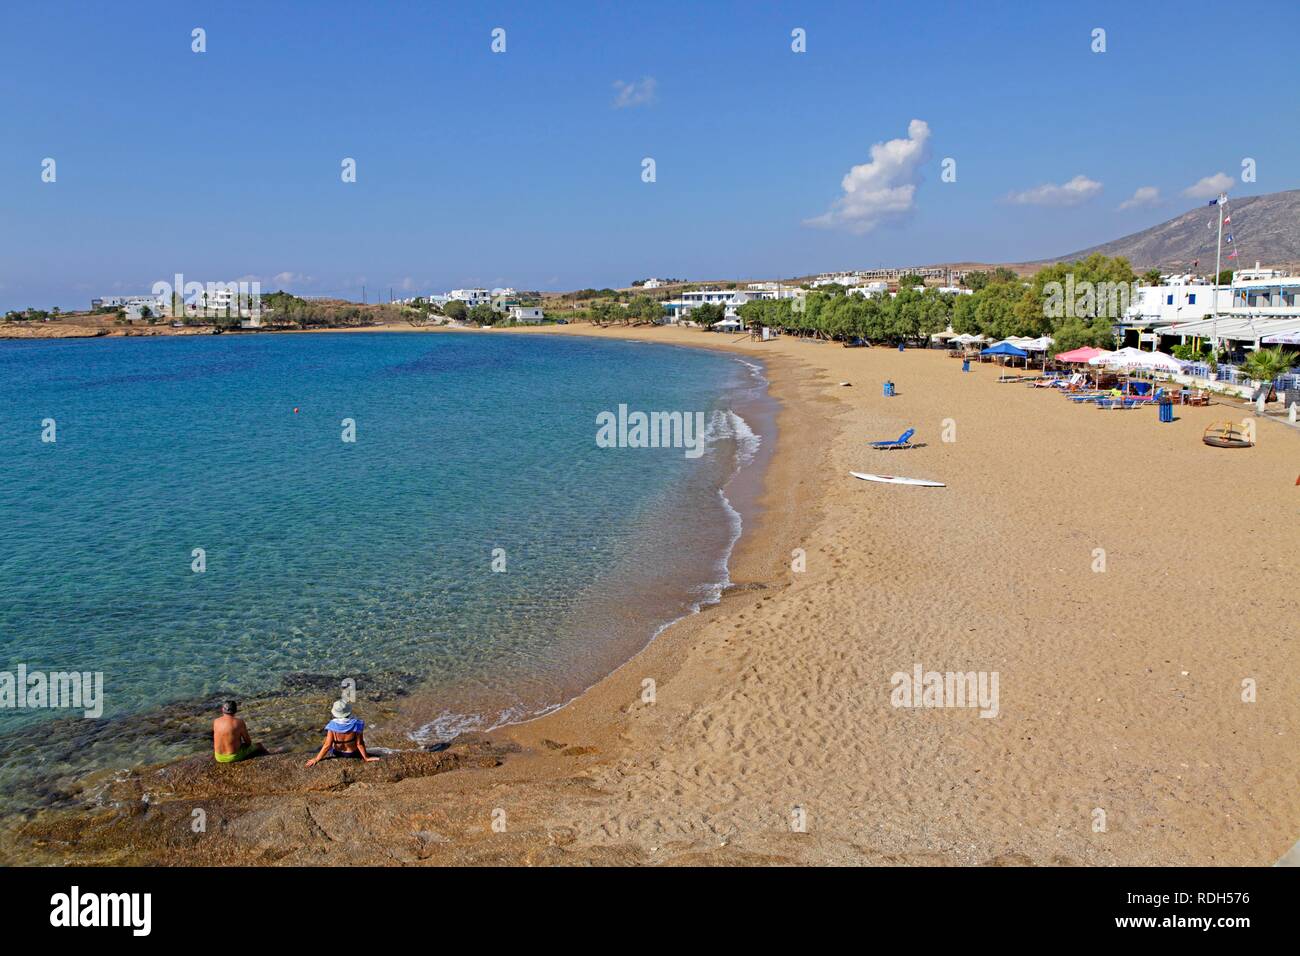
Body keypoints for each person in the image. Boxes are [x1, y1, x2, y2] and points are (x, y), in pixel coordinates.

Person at [306, 699, 380, 766]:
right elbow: (359, 744)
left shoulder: (332, 725)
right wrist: (366, 758)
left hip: (337, 752)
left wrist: (316, 759)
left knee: (325, 742)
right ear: (348, 712)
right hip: (352, 753)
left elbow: (327, 745)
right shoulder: (357, 724)